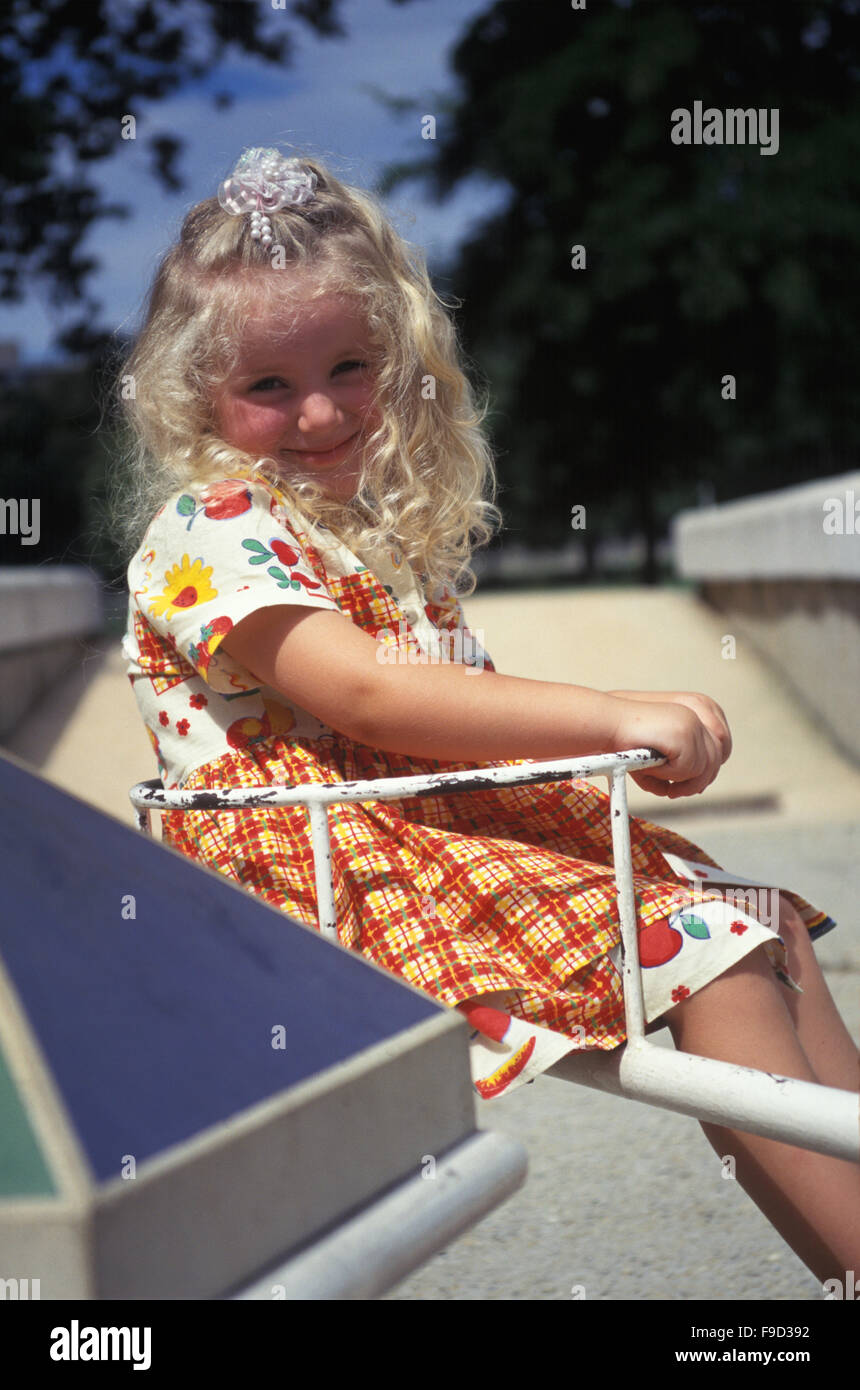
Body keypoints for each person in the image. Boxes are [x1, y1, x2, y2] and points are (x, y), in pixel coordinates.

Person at [115, 146, 859, 1285]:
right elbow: (363, 696)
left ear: (399, 359)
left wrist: (594, 749)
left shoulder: (367, 528)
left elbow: (450, 709)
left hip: (418, 827)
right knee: (707, 954)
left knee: (748, 919)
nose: (317, 410)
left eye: (351, 365)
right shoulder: (215, 525)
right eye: (268, 385)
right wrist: (610, 712)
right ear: (195, 393)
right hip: (320, 866)